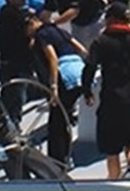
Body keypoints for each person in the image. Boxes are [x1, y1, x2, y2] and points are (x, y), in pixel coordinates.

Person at [80, 2, 130, 179]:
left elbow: (89, 68)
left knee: (111, 148)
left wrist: (87, 92)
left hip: (111, 100)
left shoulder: (100, 42)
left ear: (111, 19)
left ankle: (113, 178)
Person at [34, 9, 89, 165]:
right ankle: (67, 155)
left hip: (65, 75)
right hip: (79, 71)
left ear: (33, 23)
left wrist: (54, 87)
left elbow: (52, 59)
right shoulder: (58, 30)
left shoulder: (41, 35)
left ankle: (58, 160)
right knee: (67, 114)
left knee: (57, 121)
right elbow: (81, 49)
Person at [0, 0, 45, 132]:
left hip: (20, 64)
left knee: (11, 99)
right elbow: (32, 28)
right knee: (15, 100)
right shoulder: (9, 14)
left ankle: (0, 127)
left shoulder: (19, 13)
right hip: (14, 66)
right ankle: (10, 132)